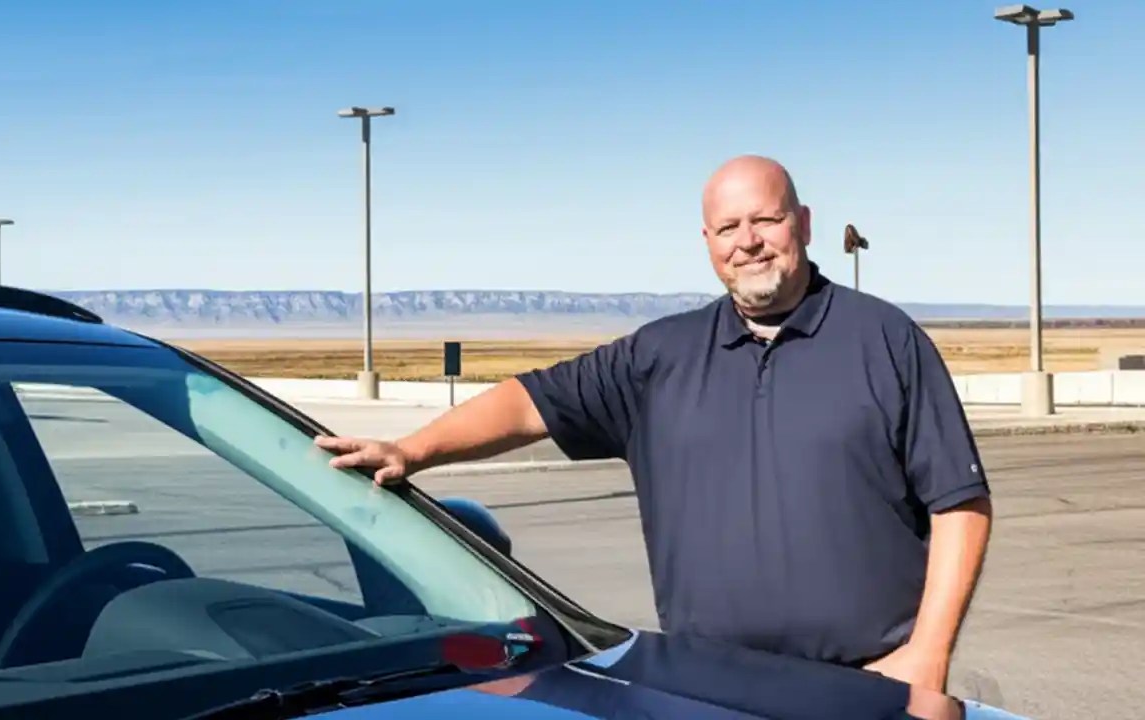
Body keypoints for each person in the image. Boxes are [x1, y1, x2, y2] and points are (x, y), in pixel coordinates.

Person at [314, 155, 993, 693]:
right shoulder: (659, 357)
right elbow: (528, 403)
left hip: (865, 686)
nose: (749, 242)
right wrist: (412, 450)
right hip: (702, 688)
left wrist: (927, 655)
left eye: (767, 220)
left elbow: (960, 504)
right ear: (707, 242)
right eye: (728, 228)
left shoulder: (884, 340)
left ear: (805, 224)